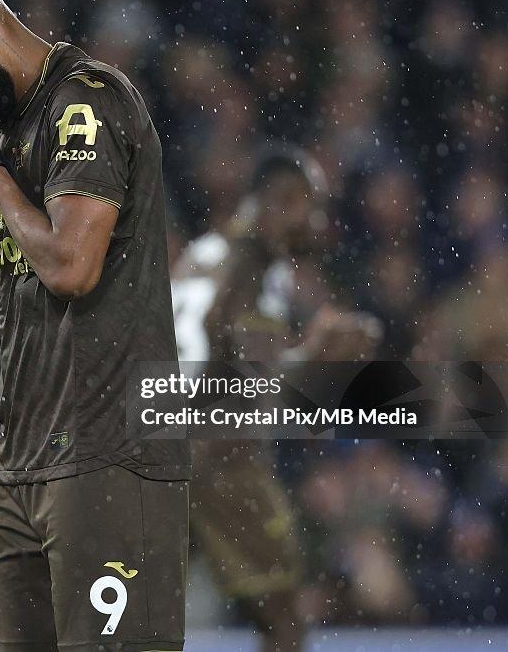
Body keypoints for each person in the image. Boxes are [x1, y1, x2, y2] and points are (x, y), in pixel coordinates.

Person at [0, 0, 191, 652]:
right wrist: (15, 459)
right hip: (27, 465)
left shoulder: (84, 102)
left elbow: (71, 268)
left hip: (107, 458)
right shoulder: (17, 128)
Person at [172, 151, 382, 651]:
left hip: (156, 444)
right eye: (312, 207)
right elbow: (250, 372)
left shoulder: (203, 253)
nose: (319, 223)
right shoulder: (257, 260)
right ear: (281, 201)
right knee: (284, 621)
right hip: (220, 455)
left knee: (139, 613)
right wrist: (321, 353)